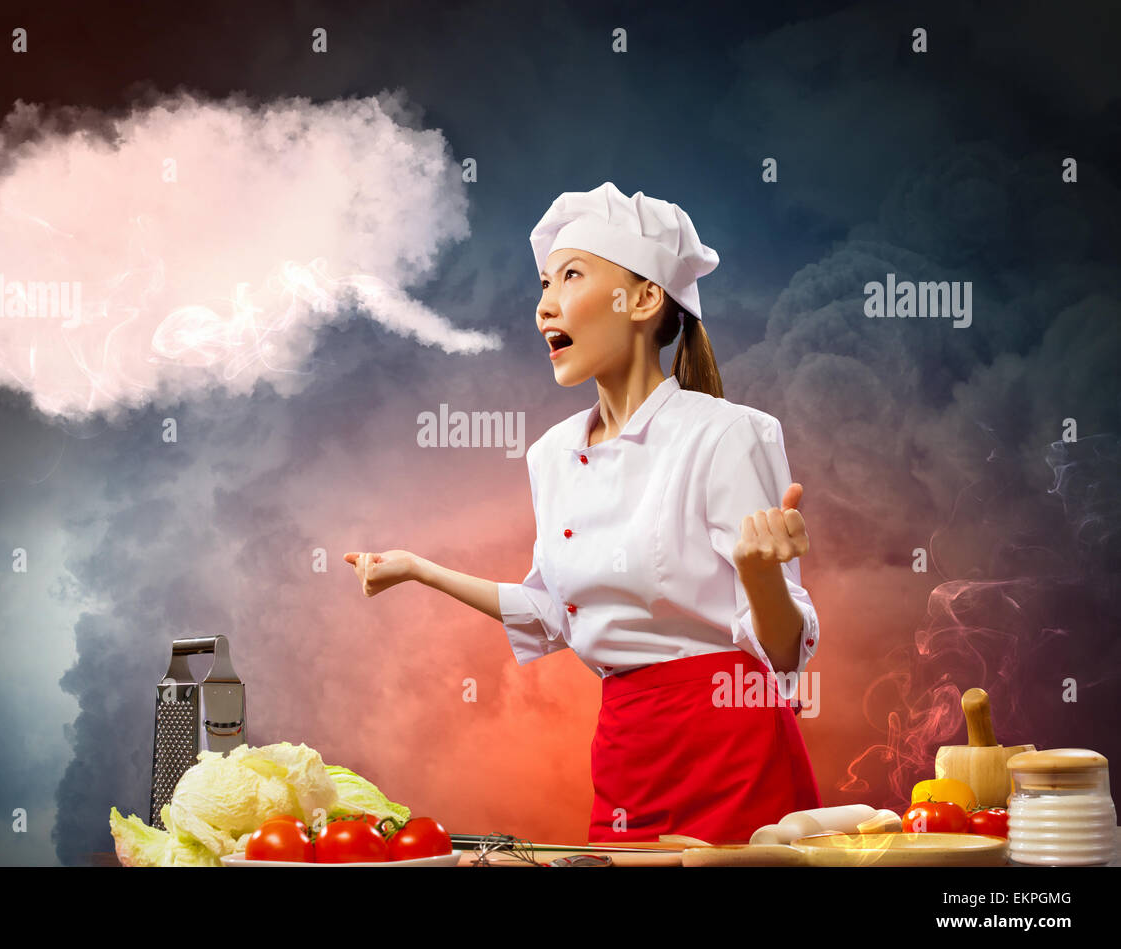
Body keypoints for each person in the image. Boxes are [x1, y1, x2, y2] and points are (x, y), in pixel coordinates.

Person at [345, 181, 821, 845]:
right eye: (543, 284)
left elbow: (784, 656)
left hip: (732, 745)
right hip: (627, 749)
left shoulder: (727, 434)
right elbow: (553, 614)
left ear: (645, 299)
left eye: (570, 276)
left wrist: (760, 573)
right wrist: (419, 570)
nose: (545, 306)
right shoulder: (552, 454)